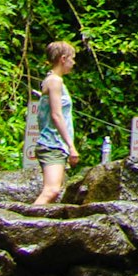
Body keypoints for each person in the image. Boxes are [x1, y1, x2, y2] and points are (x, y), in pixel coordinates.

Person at [31, 41, 79, 206]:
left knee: (53, 191)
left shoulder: (51, 80)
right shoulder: (55, 81)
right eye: (72, 59)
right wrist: (71, 146)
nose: (73, 63)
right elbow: (56, 115)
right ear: (63, 58)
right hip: (52, 143)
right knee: (51, 190)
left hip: (55, 144)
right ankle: (24, 224)